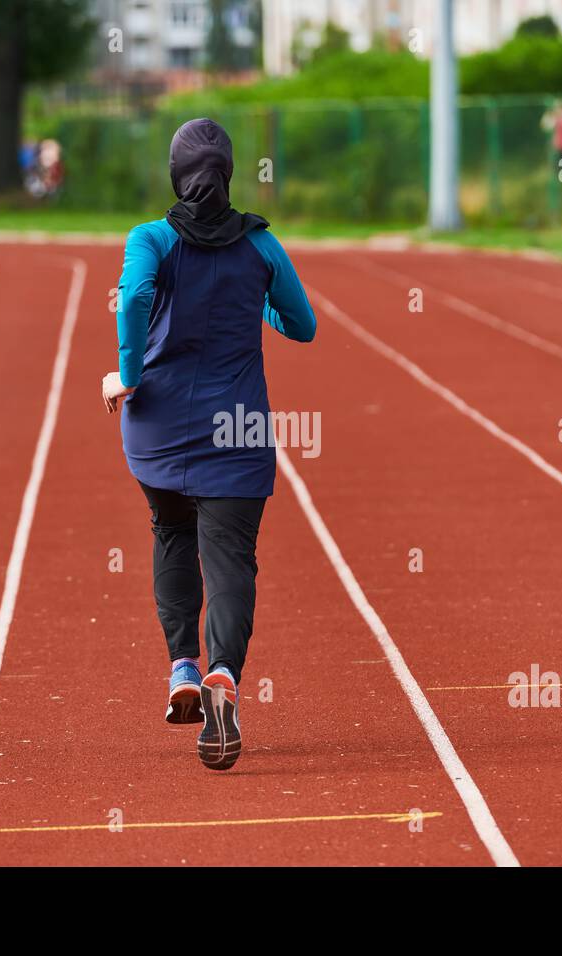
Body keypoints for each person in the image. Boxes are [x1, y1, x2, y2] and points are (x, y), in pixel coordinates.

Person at [101, 118, 316, 771]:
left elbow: (134, 296)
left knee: (171, 534)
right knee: (230, 558)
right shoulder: (261, 245)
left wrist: (129, 375)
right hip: (239, 431)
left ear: (176, 172)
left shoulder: (151, 239)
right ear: (227, 173)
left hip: (159, 427)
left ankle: (184, 670)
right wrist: (258, 302)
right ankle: (225, 673)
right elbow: (301, 325)